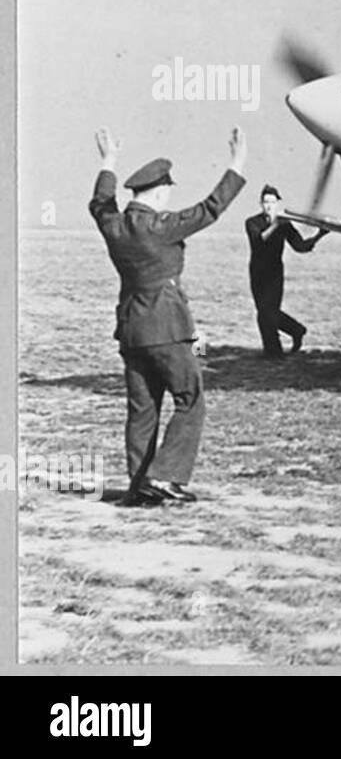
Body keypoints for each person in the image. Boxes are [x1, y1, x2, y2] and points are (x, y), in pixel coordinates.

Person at [89, 126, 247, 506]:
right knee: (190, 399)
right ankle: (164, 478)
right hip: (170, 330)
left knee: (142, 411)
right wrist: (238, 163)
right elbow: (211, 208)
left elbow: (100, 202)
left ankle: (139, 485)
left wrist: (108, 161)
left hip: (131, 332)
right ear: (160, 193)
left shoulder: (115, 225)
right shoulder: (160, 226)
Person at [245, 186, 327, 359]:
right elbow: (260, 239)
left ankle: (273, 353)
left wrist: (320, 234)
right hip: (257, 272)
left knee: (267, 312)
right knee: (266, 311)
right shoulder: (252, 222)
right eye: (266, 202)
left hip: (274, 273)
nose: (268, 206)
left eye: (272, 202)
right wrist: (277, 223)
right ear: (260, 203)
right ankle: (296, 330)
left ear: (277, 204)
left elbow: (300, 246)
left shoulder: (284, 224)